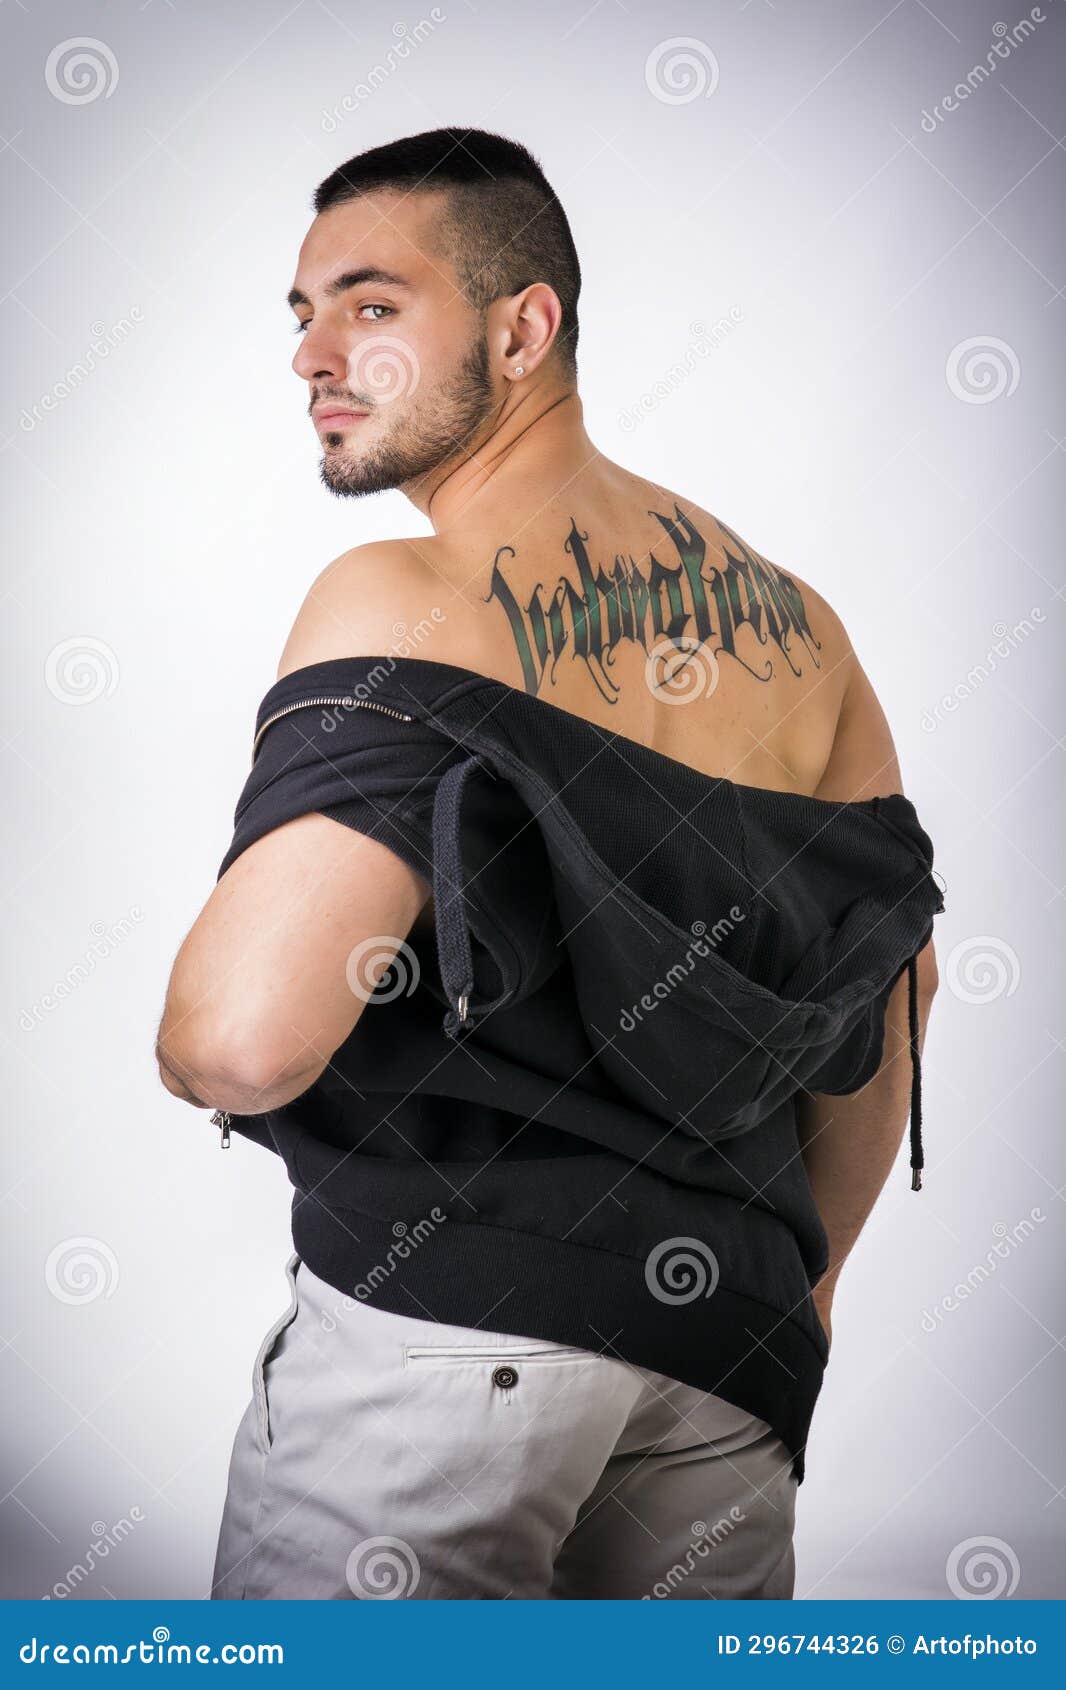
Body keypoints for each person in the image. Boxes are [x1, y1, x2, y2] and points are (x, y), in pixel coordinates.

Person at [156, 128, 944, 1601]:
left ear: (524, 328)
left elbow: (243, 1037)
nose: (314, 354)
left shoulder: (402, 593)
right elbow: (897, 987)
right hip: (727, 1376)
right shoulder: (804, 629)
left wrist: (181, 1050)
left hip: (443, 1358)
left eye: (372, 305)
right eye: (302, 311)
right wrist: (800, 1298)